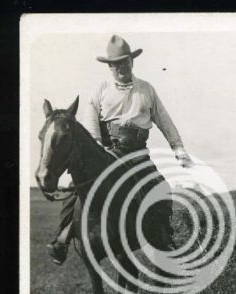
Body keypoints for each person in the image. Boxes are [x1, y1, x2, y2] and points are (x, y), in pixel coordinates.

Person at [47, 34, 194, 265]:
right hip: (107, 151)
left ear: (132, 62)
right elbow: (91, 117)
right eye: (115, 64)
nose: (120, 67)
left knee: (161, 186)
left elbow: (164, 121)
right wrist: (96, 145)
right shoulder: (101, 89)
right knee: (78, 185)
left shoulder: (147, 90)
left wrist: (179, 150)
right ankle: (62, 237)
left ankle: (162, 236)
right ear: (110, 66)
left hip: (138, 154)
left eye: (124, 62)